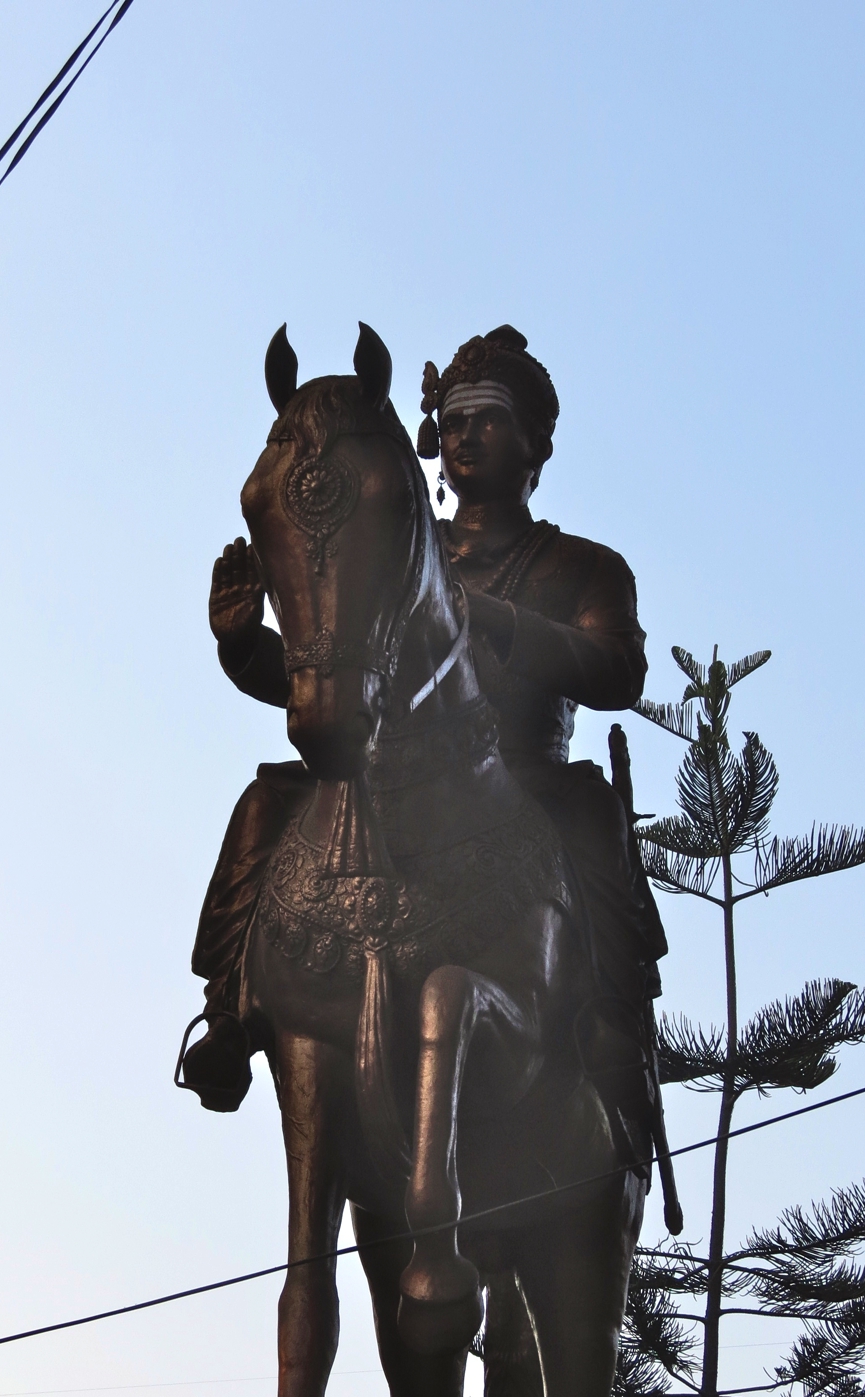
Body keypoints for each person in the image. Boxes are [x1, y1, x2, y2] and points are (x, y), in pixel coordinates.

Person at [179, 326, 666, 1135]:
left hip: (522, 775)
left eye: (490, 417)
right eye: (456, 416)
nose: (468, 432)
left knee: (593, 815)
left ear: (534, 444)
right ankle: (226, 1008)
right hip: (381, 772)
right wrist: (242, 643)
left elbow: (621, 672)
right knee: (266, 803)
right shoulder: (401, 542)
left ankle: (612, 1021)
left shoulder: (585, 568)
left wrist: (504, 623)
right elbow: (333, 671)